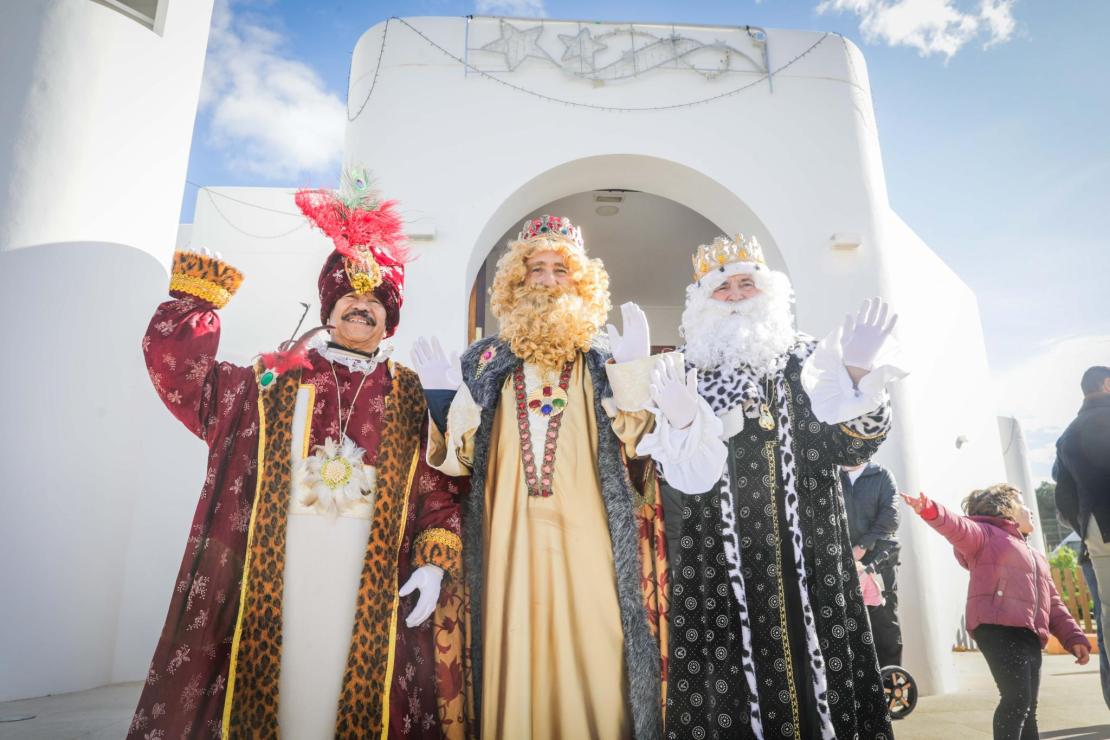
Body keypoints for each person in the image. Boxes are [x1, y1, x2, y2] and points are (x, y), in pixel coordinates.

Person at [128, 171, 464, 739]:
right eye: (350, 296)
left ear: (391, 318)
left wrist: (435, 558)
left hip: (372, 578)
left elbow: (439, 485)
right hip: (275, 568)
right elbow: (192, 386)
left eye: (377, 300)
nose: (363, 305)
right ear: (328, 307)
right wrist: (193, 303)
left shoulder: (409, 390)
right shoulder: (272, 377)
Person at [411, 215, 681, 740]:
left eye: (561, 270)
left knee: (597, 645)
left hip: (591, 542)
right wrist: (445, 398)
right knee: (513, 644)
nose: (548, 279)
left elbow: (642, 445)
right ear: (517, 280)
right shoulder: (483, 361)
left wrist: (632, 374)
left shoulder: (603, 358)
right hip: (506, 542)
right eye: (536, 269)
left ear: (580, 283)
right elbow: (459, 462)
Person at [640, 234, 903, 739]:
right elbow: (679, 481)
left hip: (811, 552)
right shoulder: (684, 370)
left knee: (820, 673)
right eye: (723, 288)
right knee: (725, 685)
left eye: (747, 284)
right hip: (718, 558)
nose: (737, 295)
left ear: (769, 293)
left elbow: (853, 449)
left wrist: (857, 378)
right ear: (702, 300)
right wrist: (678, 426)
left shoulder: (810, 360)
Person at [903, 485, 1090, 740]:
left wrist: (1074, 637)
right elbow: (958, 527)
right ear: (1008, 509)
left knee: (1028, 706)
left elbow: (1053, 602)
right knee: (1017, 698)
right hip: (997, 628)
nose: (1031, 511)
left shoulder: (1036, 556)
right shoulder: (986, 534)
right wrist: (930, 510)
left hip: (1030, 634)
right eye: (1024, 504)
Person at [1054, 364, 1110, 708]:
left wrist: (1085, 528)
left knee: (1107, 615)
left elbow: (1063, 498)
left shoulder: (1067, 435)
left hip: (1095, 533)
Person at [841, 460, 903, 667]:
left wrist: (863, 546)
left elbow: (891, 516)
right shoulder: (830, 477)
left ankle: (890, 681)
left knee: (884, 622)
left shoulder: (882, 475)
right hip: (842, 561)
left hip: (879, 560)